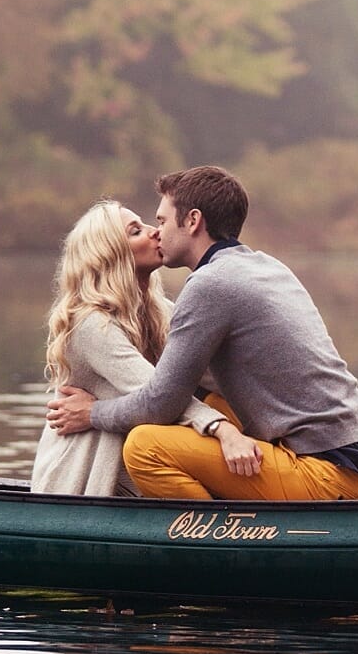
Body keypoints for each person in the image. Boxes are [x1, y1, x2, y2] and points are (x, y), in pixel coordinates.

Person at [46, 166, 358, 501]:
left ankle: (221, 533)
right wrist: (222, 430)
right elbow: (186, 387)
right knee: (214, 400)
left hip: (325, 475)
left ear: (192, 221)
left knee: (144, 447)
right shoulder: (264, 266)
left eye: (162, 221)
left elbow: (160, 403)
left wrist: (92, 414)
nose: (156, 232)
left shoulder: (210, 284)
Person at [31, 199, 262, 496]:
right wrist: (222, 430)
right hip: (87, 482)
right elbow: (157, 393)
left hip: (142, 465)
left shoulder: (160, 310)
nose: (155, 232)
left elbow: (213, 376)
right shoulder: (91, 324)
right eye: (136, 231)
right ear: (110, 254)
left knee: (222, 402)